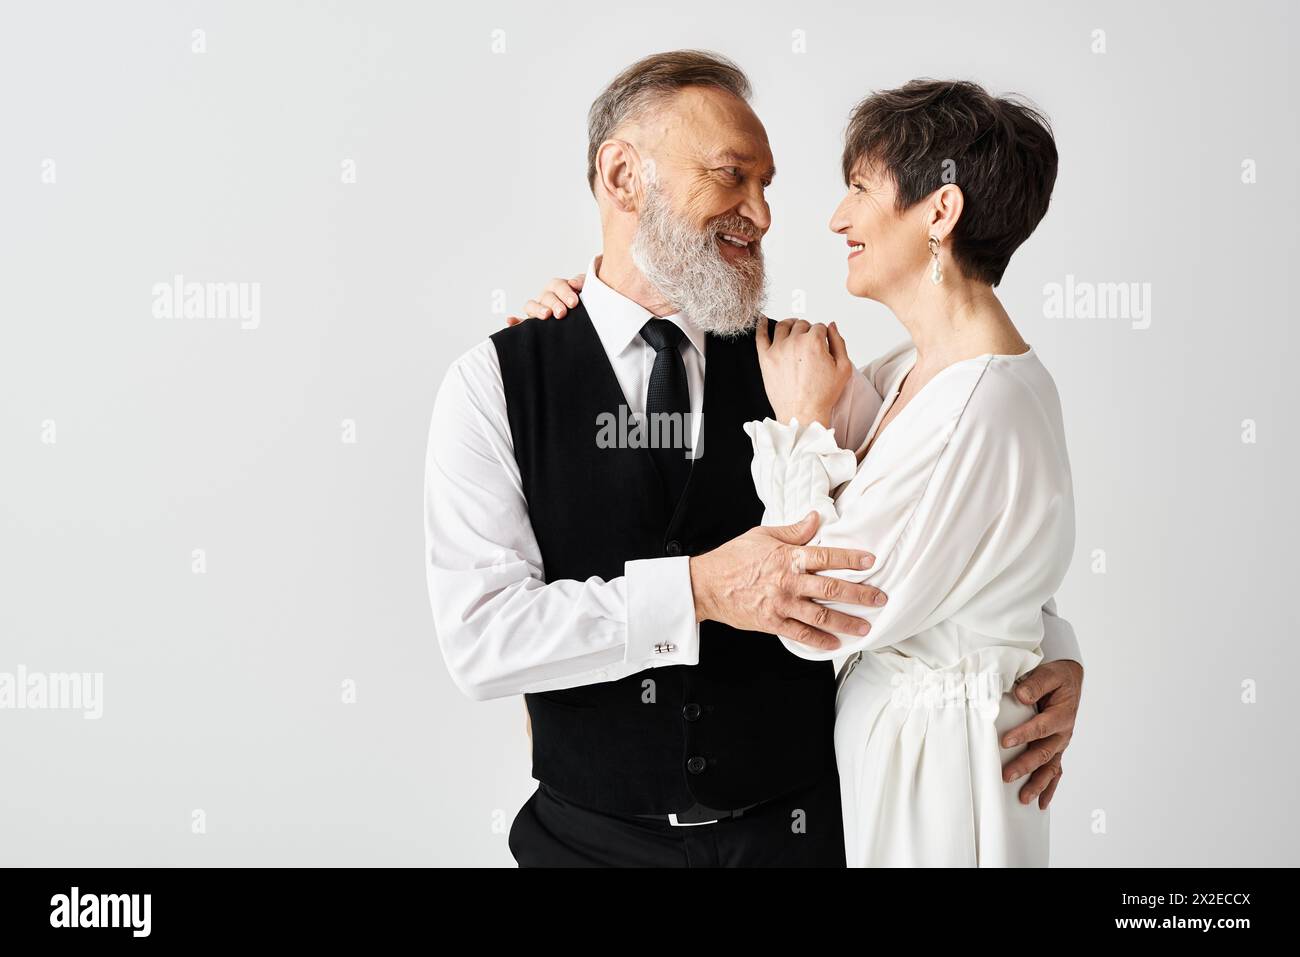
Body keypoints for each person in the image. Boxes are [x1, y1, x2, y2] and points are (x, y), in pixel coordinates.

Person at [430, 51, 1083, 867]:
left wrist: (1047, 649)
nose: (764, 214)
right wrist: (697, 592)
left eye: (767, 184)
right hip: (584, 844)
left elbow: (968, 523)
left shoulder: (806, 369)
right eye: (732, 176)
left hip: (803, 837)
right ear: (623, 175)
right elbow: (483, 637)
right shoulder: (494, 384)